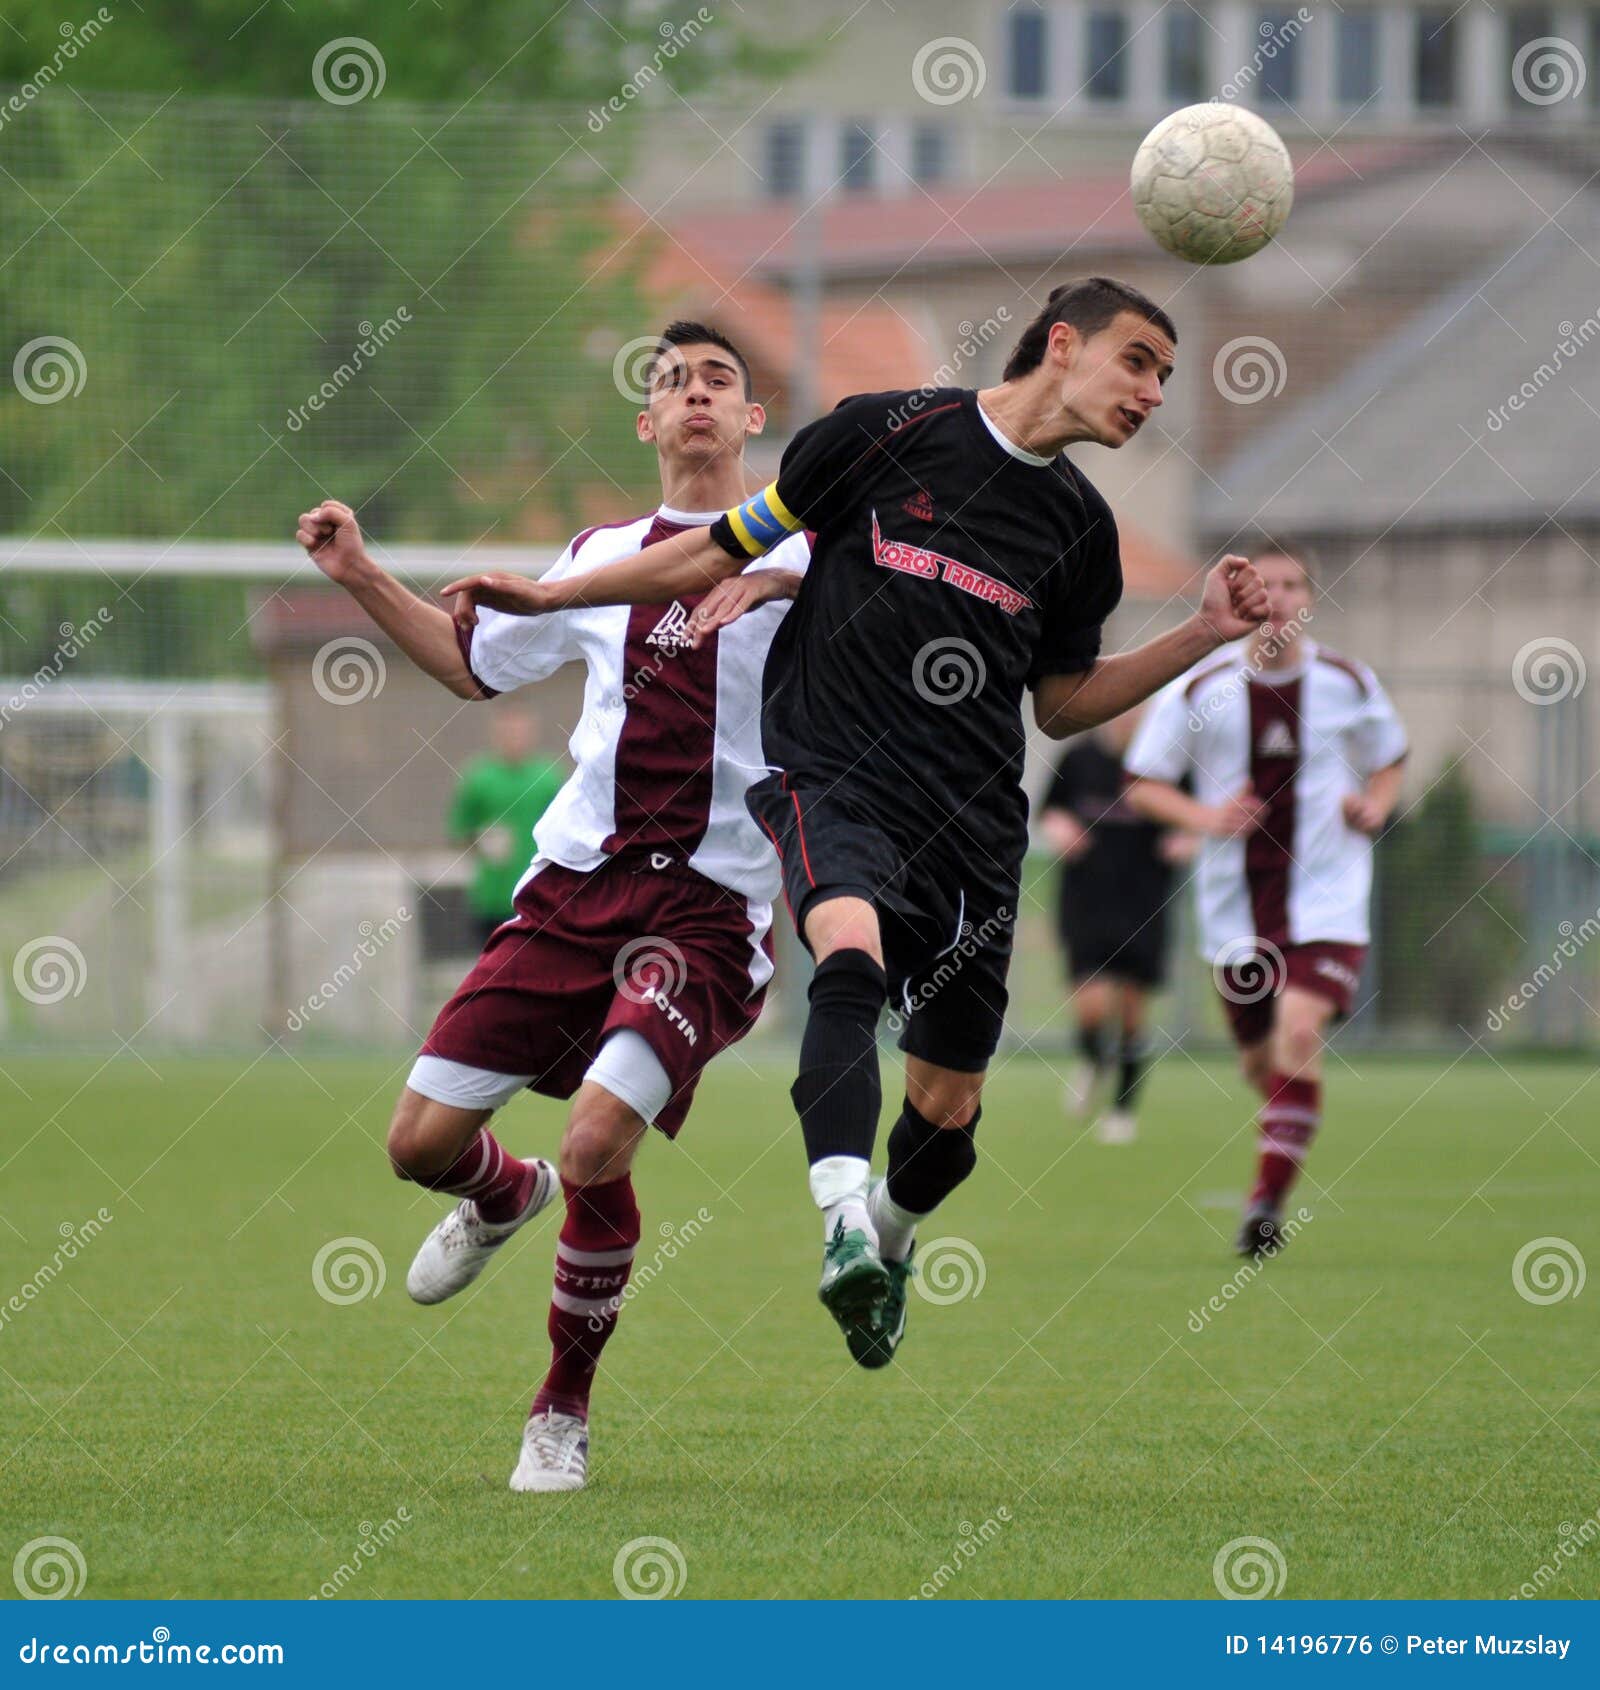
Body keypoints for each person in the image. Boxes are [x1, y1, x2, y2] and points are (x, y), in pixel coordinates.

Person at [442, 275, 1270, 1369]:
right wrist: (555, 596)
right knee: (846, 952)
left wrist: (1202, 633)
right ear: (1063, 344)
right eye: (1139, 362)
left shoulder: (1080, 528)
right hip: (832, 778)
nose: (1155, 391)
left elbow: (1064, 704)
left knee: (947, 1122)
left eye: (1164, 373)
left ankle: (888, 1225)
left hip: (971, 827)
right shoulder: (883, 430)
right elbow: (721, 546)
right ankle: (841, 1223)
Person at [293, 321, 809, 1491]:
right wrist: (361, 573)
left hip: (704, 914)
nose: (694, 393)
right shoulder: (599, 557)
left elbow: (879, 612)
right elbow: (469, 666)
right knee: (418, 1146)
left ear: (750, 419)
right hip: (573, 890)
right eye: (671, 381)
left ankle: (560, 1411)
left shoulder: (808, 551)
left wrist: (775, 575)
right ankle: (502, 1191)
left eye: (718, 380)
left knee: (594, 1139)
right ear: (646, 421)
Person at [1122, 548, 1407, 1256]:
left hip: (1329, 900)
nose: (1276, 598)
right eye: (1262, 585)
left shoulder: (1348, 681)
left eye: (1290, 585)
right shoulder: (1201, 687)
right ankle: (1286, 1127)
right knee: (1261, 1065)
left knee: (1299, 1034)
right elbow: (1143, 783)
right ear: (1242, 599)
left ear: (1308, 599)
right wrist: (1206, 818)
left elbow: (1390, 759)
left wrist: (1373, 806)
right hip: (1236, 912)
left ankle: (1264, 1206)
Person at [1038, 709, 1193, 1144]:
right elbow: (1048, 812)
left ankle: (1123, 1110)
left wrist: (1188, 838)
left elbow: (1194, 817)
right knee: (1089, 1007)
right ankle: (1094, 1060)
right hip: (1086, 901)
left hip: (1143, 902)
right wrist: (1058, 828)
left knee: (1130, 1011)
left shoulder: (1165, 765)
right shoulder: (1078, 758)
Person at [448, 707, 565, 945]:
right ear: (497, 733)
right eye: (509, 731)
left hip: (538, 896)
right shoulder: (479, 778)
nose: (515, 738)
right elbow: (458, 832)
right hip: (492, 898)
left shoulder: (548, 777)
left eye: (520, 731)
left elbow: (566, 832)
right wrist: (482, 841)